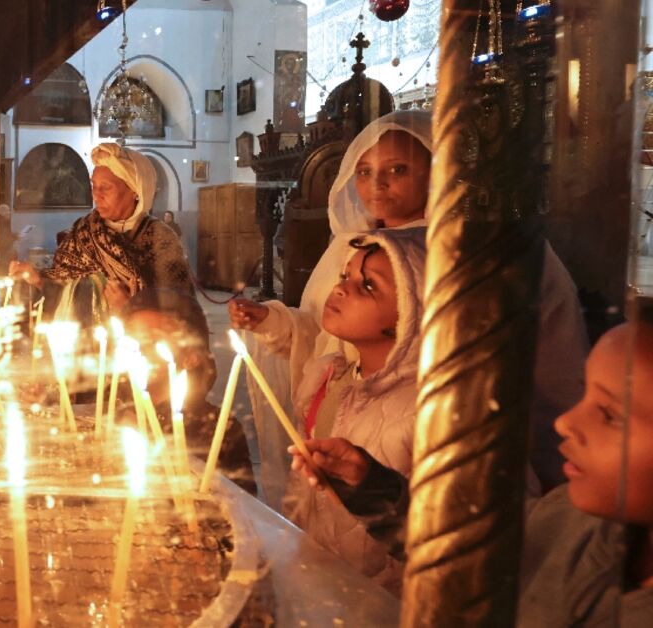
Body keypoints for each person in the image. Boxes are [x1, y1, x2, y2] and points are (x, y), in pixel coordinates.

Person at [231, 109, 588, 491]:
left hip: (425, 431)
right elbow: (325, 333)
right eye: (364, 171)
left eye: (397, 169)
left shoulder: (480, 251)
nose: (377, 184)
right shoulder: (351, 247)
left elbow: (539, 361)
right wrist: (272, 321)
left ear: (439, 169)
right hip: (346, 415)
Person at [287, 305, 653, 625]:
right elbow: (473, 560)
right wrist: (373, 489)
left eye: (609, 415)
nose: (566, 422)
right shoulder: (569, 519)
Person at [10, 142, 254, 490]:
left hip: (142, 347)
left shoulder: (160, 239)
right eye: (94, 187)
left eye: (106, 188)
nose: (98, 195)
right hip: (93, 342)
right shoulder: (87, 230)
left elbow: (177, 309)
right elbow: (60, 277)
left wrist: (131, 307)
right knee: (101, 418)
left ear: (136, 192)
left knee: (149, 428)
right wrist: (37, 278)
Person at [281, 228, 426, 593]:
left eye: (369, 286)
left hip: (384, 600)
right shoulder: (327, 377)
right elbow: (303, 489)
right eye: (347, 276)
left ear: (411, 311)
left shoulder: (425, 411)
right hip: (317, 578)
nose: (342, 288)